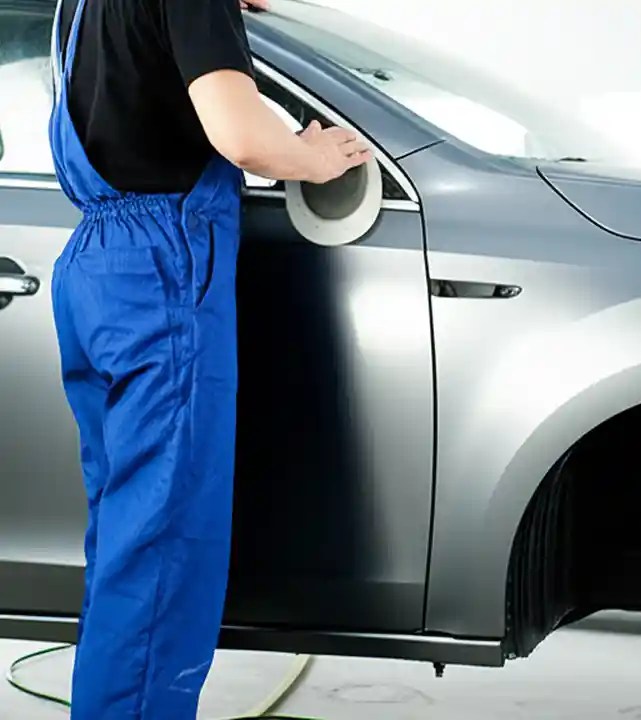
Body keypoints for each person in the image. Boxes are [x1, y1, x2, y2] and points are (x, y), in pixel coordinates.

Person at [48, 0, 370, 717]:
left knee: (127, 546)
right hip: (163, 270)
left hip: (98, 268)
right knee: (161, 552)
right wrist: (315, 157)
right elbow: (242, 137)